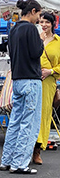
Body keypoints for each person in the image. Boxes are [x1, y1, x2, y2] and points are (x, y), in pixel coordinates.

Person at [0, 0, 44, 174]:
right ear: (33, 11)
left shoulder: (14, 29)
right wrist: (40, 40)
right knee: (29, 122)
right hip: (31, 79)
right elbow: (36, 52)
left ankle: (7, 159)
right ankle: (19, 163)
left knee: (16, 121)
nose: (39, 19)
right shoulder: (31, 29)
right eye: (39, 15)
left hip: (17, 79)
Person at [33, 11, 60, 164]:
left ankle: (38, 149)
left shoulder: (58, 42)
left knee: (43, 115)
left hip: (48, 82)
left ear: (52, 24)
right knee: (29, 113)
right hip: (31, 78)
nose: (43, 25)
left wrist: (51, 71)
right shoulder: (35, 38)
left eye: (47, 22)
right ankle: (27, 148)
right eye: (41, 22)